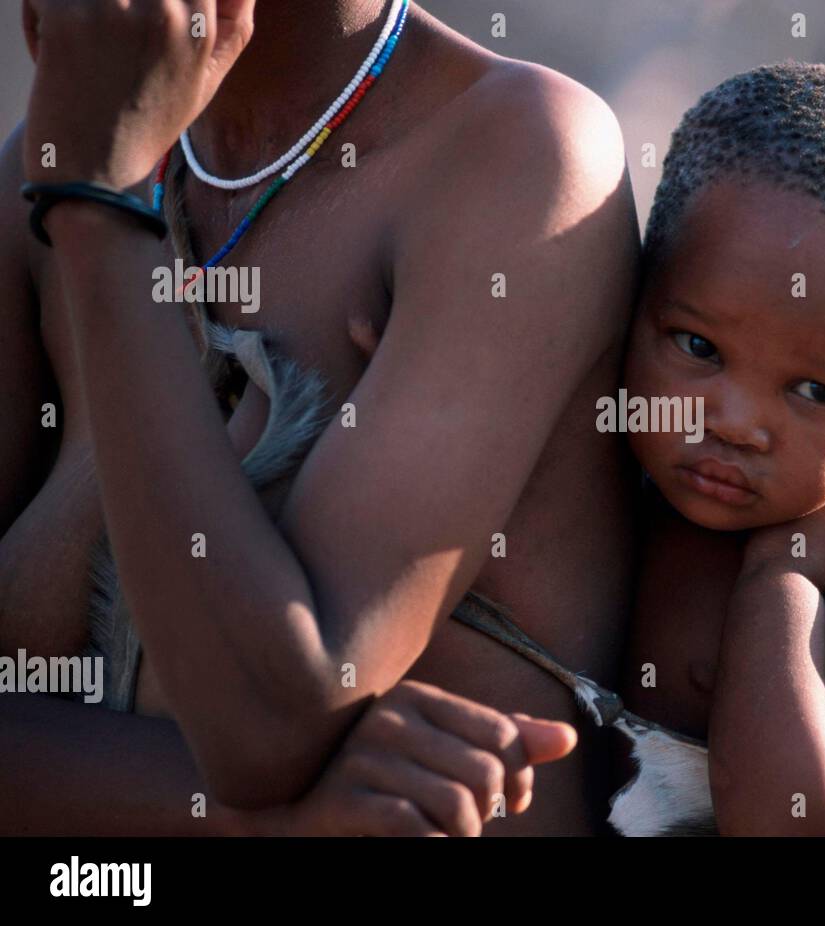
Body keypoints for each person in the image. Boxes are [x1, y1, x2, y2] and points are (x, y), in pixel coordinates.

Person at [0, 0, 640, 835]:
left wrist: (100, 206)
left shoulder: (519, 155)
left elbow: (262, 729)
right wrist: (262, 820)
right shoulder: (48, 159)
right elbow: (268, 768)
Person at [442, 63, 825, 835]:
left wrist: (782, 583)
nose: (736, 422)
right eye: (697, 346)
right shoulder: (590, 482)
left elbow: (800, 823)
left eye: (817, 392)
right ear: (630, 300)